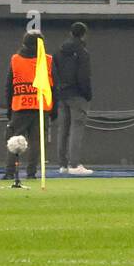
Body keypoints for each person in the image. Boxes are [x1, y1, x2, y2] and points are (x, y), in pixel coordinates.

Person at [3, 32, 53, 181]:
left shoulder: (16, 59)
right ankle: (31, 173)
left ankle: (9, 172)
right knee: (36, 142)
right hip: (40, 107)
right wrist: (53, 109)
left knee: (14, 141)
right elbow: (53, 86)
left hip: (20, 106)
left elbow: (8, 86)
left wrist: (9, 108)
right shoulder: (47, 60)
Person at [55, 22, 94, 175]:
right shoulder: (83, 53)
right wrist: (87, 95)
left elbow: (54, 73)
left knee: (62, 129)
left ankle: (63, 165)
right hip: (77, 95)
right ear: (84, 34)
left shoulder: (58, 52)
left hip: (62, 95)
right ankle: (74, 164)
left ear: (71, 33)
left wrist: (59, 89)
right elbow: (84, 77)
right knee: (76, 129)